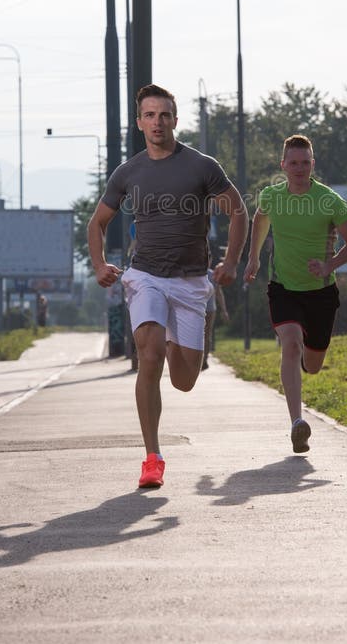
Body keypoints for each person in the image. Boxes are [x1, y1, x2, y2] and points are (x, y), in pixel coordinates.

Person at [88, 84, 248, 488]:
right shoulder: (128, 172)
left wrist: (230, 261)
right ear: (139, 122)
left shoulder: (201, 166)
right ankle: (152, 457)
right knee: (150, 354)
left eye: (164, 115)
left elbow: (238, 211)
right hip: (145, 276)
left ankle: (187, 335)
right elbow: (97, 223)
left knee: (184, 381)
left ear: (175, 120)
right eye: (149, 115)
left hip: (192, 282)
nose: (157, 122)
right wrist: (99, 264)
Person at [243, 134, 347, 454]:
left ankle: (308, 370)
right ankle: (298, 422)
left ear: (313, 164)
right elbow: (260, 218)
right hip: (283, 288)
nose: (299, 168)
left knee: (313, 362)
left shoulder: (329, 200)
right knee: (291, 344)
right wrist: (253, 257)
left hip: (321, 293)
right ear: (283, 165)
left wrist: (328, 265)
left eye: (305, 162)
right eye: (293, 162)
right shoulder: (271, 196)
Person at [202, 264, 229, 370]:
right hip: (202, 308)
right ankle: (200, 359)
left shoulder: (212, 274)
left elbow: (218, 293)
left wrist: (224, 310)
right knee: (202, 335)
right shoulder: (197, 273)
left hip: (209, 309)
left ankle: (204, 360)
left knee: (206, 334)